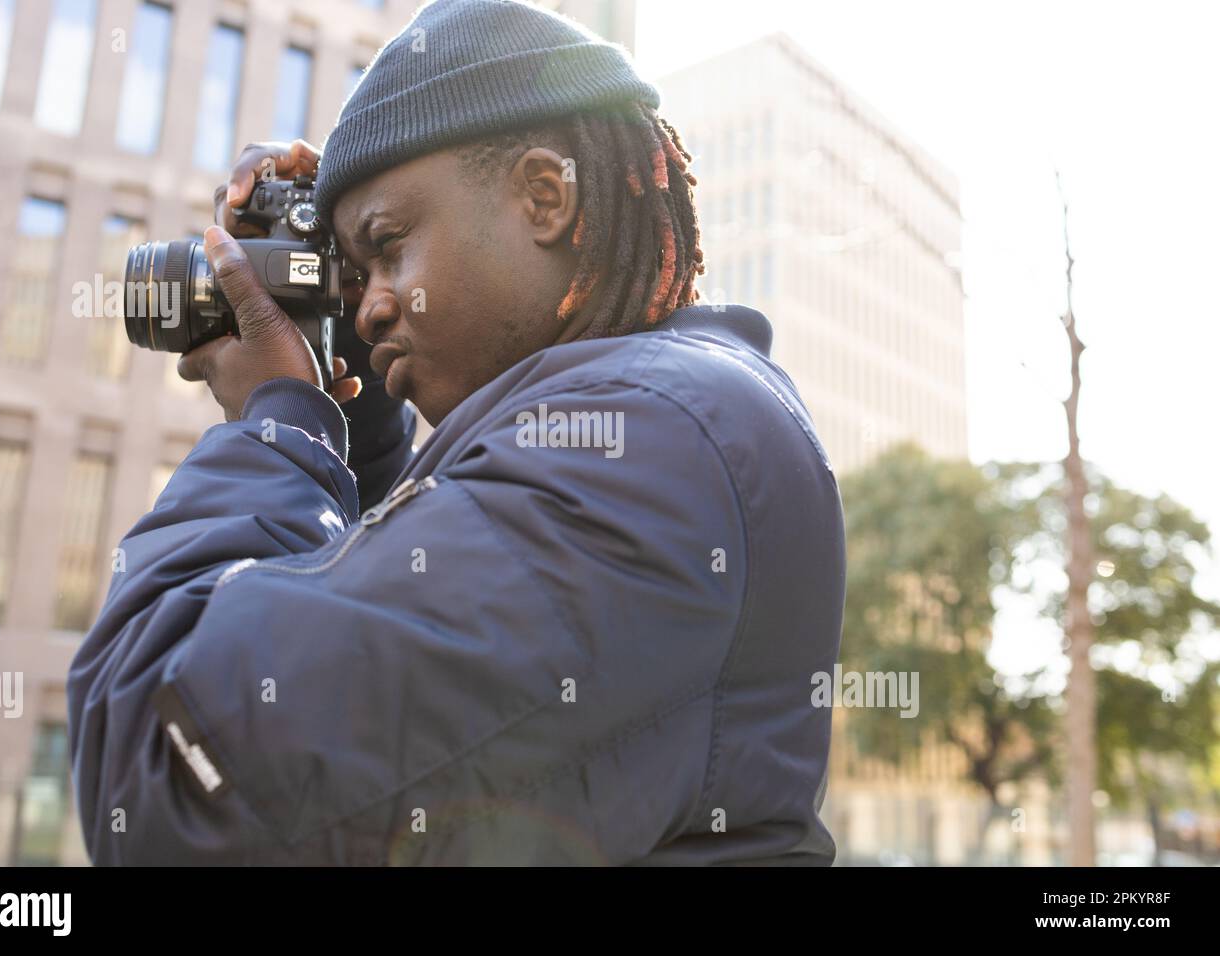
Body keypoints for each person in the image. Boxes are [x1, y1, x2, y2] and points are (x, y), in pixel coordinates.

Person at [67, 0, 846, 865]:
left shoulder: (643, 449)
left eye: (391, 244)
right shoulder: (674, 415)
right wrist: (347, 407)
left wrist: (279, 429)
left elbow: (168, 778)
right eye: (352, 276)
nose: (370, 303)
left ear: (545, 198)